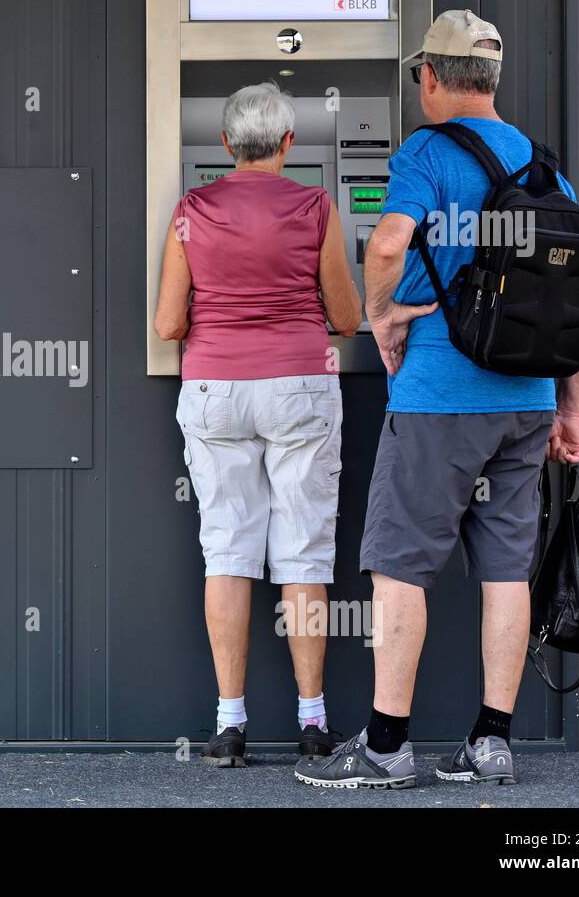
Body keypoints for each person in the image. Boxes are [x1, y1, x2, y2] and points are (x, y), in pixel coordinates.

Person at [296, 10, 579, 789]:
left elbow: (388, 242)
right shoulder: (544, 167)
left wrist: (383, 314)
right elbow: (578, 300)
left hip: (438, 398)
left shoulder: (426, 153)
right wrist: (571, 409)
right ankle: (490, 743)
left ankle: (387, 747)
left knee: (399, 569)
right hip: (526, 401)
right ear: (491, 80)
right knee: (504, 572)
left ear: (431, 77)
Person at [155, 81, 363, 766]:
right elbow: (345, 316)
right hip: (299, 386)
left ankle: (229, 723)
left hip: (216, 386)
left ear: (223, 146)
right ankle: (312, 721)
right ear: (287, 145)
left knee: (228, 549)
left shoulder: (191, 209)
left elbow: (167, 323)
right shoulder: (316, 205)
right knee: (303, 553)